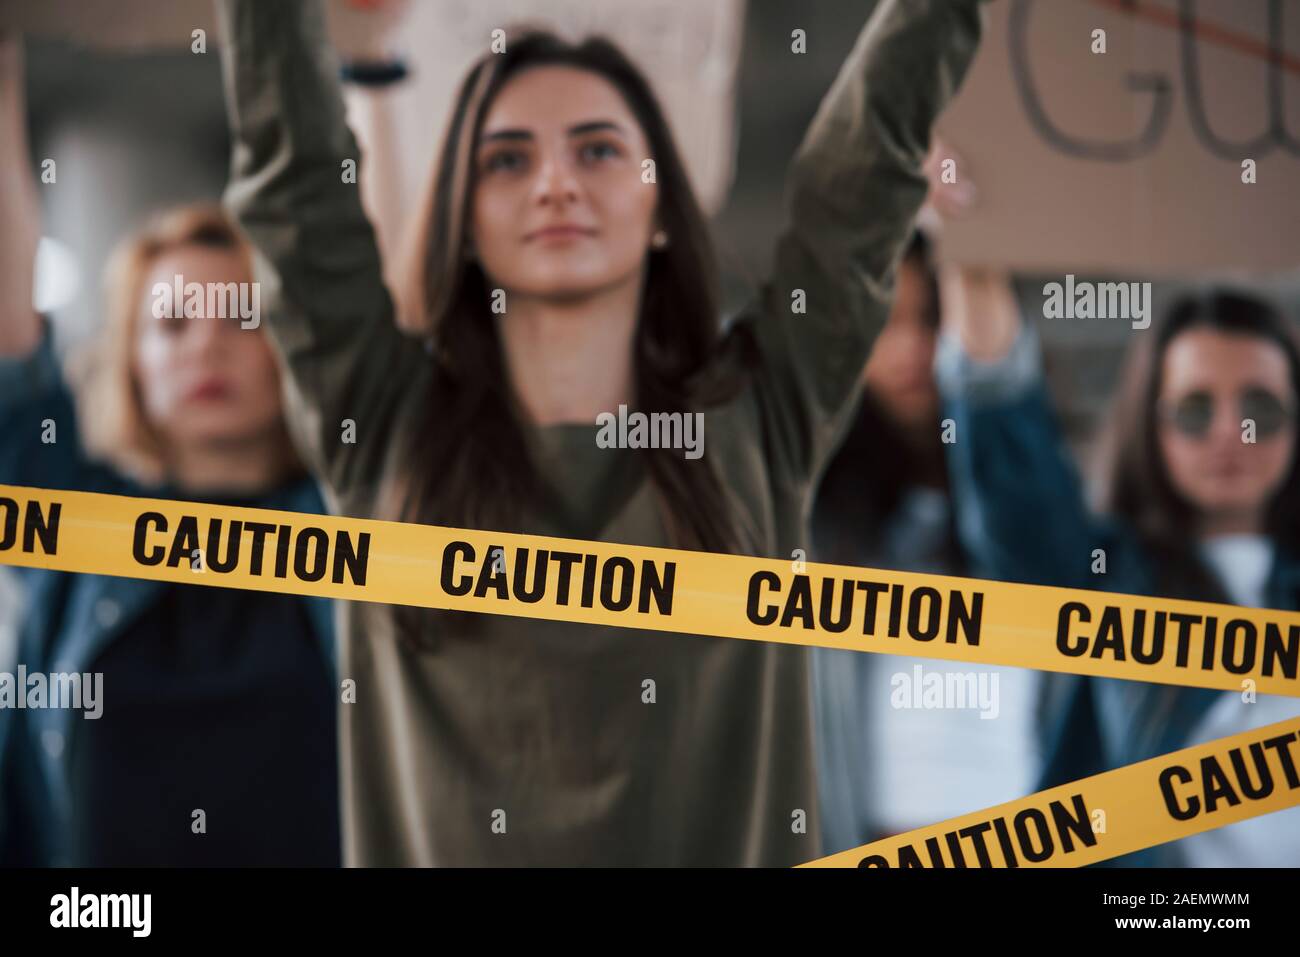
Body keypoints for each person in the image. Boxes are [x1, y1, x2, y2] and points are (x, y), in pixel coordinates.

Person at [215, 0, 987, 865]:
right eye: (507, 160)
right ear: (463, 220)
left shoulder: (755, 418)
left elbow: (859, 181)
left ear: (664, 202)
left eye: (598, 149)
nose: (554, 183)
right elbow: (293, 181)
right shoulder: (382, 424)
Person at [0, 34, 340, 867]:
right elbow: (10, 335)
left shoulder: (355, 518)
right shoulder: (75, 514)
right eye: (173, 324)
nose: (206, 349)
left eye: (242, 317)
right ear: (131, 359)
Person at [936, 267, 1300, 866]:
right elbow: (1017, 494)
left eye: (1262, 407)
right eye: (1194, 409)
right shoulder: (1102, 578)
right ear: (1150, 424)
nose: (1231, 432)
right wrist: (973, 265)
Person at [809, 231, 1040, 855]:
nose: (910, 346)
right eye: (883, 321)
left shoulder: (1032, 506)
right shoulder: (816, 514)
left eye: (933, 318)